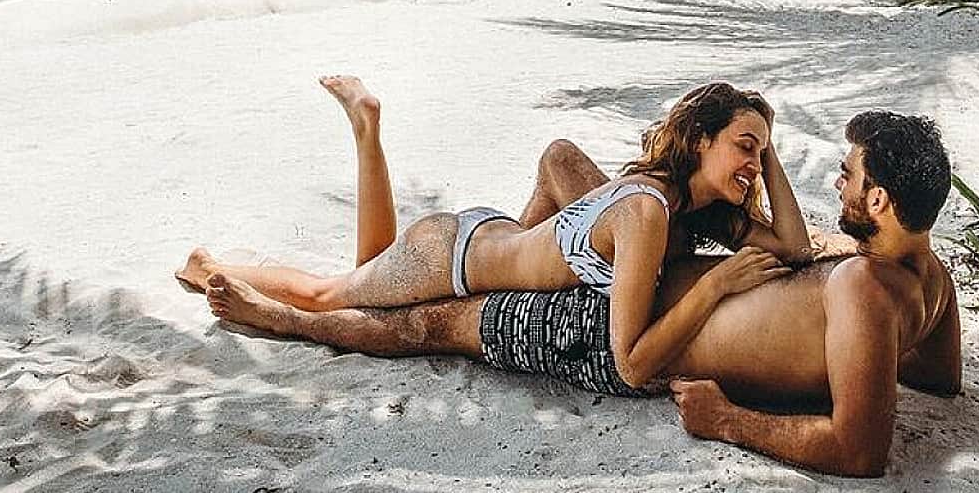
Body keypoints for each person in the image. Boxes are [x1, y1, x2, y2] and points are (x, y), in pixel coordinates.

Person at [202, 111, 960, 477]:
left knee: (434, 325)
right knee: (557, 179)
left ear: (884, 201)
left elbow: (860, 449)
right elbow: (937, 377)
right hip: (628, 273)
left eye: (853, 177)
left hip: (607, 327)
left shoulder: (863, 284)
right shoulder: (930, 278)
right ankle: (505, 245)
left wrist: (730, 417)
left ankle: (285, 318)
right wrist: (839, 344)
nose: (841, 182)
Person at [179, 76, 812, 389]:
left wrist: (766, 139)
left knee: (364, 270)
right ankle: (205, 268)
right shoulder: (649, 213)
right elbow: (632, 363)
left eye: (760, 153)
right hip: (449, 255)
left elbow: (794, 247)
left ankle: (365, 134)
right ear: (701, 141)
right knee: (326, 293)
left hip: (496, 237)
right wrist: (717, 283)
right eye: (743, 147)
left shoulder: (690, 209)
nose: (753, 164)